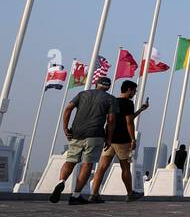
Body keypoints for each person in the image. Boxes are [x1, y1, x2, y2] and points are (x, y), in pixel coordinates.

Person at [50, 77, 116, 205]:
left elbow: (68, 108)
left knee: (70, 161)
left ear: (96, 84)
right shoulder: (110, 99)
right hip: (95, 135)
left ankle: (61, 181)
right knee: (87, 164)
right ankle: (75, 196)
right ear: (108, 87)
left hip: (76, 133)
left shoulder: (82, 94)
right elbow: (111, 120)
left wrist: (65, 127)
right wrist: (109, 138)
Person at [89, 80, 145, 202]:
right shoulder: (128, 103)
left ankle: (94, 194)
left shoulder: (112, 100)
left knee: (102, 167)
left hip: (109, 138)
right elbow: (129, 122)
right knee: (125, 167)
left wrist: (140, 110)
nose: (134, 94)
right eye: (134, 91)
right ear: (129, 90)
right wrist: (133, 139)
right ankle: (130, 194)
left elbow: (119, 118)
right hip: (122, 139)